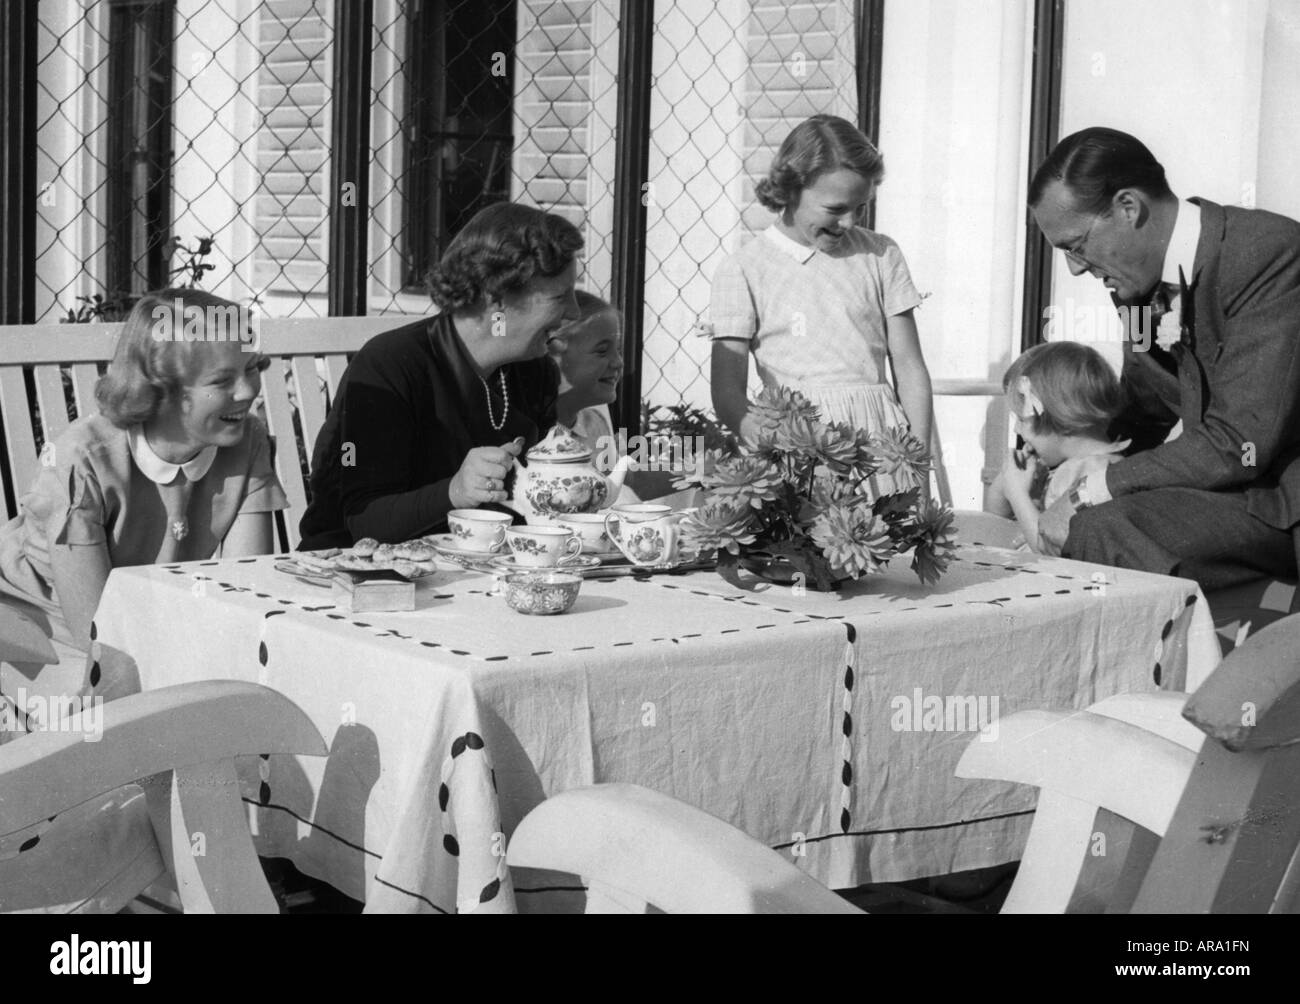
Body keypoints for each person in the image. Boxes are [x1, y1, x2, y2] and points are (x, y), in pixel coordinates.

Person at [1029, 127, 1300, 590]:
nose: (1074, 267)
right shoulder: (1133, 291)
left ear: (1128, 208)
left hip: (1286, 502)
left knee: (1100, 524)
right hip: (1232, 499)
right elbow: (1143, 410)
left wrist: (1096, 489)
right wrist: (1068, 460)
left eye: (1075, 246)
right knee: (1090, 526)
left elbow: (1241, 443)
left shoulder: (1267, 252)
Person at [0, 288, 286, 654]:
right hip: (39, 635)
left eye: (252, 369)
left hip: (152, 622)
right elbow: (99, 637)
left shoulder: (247, 440)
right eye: (221, 381)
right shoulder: (82, 461)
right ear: (162, 388)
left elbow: (244, 593)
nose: (248, 391)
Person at [298, 202, 582, 550]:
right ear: (498, 299)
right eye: (560, 297)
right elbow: (363, 520)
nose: (574, 311)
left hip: (479, 573)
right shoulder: (390, 367)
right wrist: (455, 491)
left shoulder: (534, 371)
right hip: (359, 575)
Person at [707, 114, 933, 493]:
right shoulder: (744, 269)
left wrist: (916, 459)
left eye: (859, 207)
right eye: (835, 209)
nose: (848, 222)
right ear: (791, 189)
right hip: (796, 448)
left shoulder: (880, 255)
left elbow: (909, 366)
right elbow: (727, 390)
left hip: (880, 449)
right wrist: (773, 447)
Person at [990, 342, 1129, 556]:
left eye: (1021, 419)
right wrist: (1006, 484)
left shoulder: (1097, 474)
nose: (1017, 430)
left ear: (1058, 417)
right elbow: (993, 522)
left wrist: (1017, 494)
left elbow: (1052, 551)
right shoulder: (1073, 467)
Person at [550, 290, 623, 471]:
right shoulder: (532, 436)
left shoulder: (596, 425)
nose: (618, 362)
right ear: (554, 354)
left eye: (618, 350)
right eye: (602, 351)